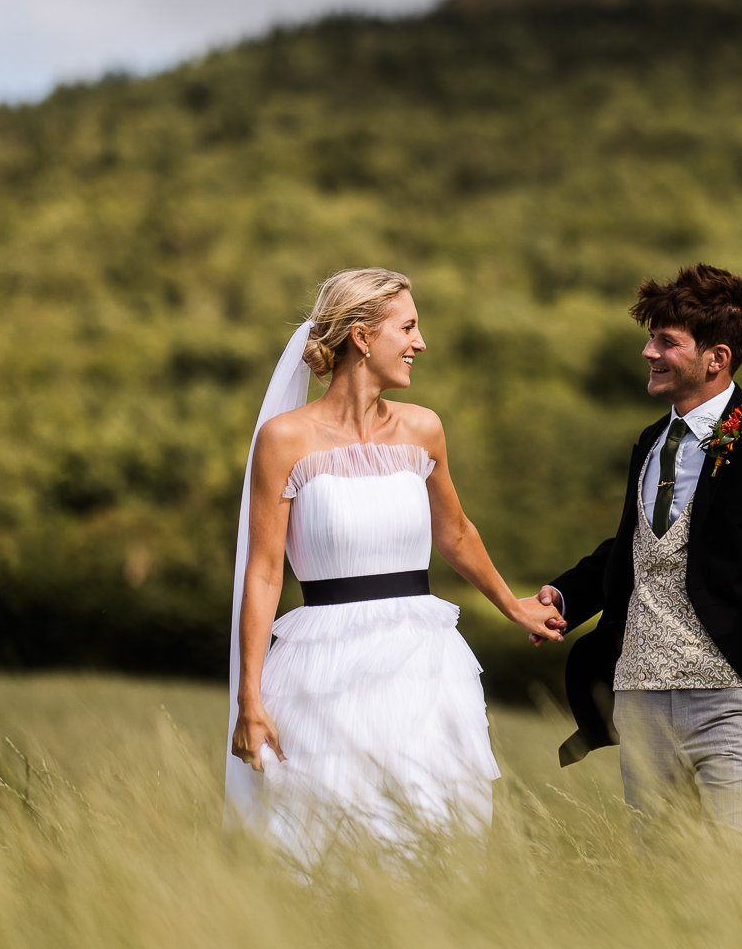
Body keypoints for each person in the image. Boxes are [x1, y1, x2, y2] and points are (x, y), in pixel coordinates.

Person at [226, 268, 562, 864]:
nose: (419, 342)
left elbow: (455, 533)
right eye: (407, 327)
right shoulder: (284, 440)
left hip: (423, 665)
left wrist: (515, 607)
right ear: (361, 337)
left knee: (435, 836)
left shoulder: (422, 428)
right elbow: (264, 574)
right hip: (322, 670)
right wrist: (249, 701)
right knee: (325, 838)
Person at [532, 264, 742, 840]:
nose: (648, 352)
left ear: (716, 358)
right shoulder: (649, 442)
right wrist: (563, 594)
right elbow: (639, 544)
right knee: (660, 881)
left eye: (667, 342)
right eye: (651, 338)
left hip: (731, 699)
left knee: (740, 872)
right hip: (637, 698)